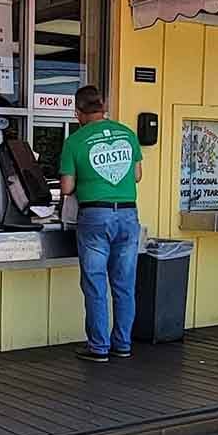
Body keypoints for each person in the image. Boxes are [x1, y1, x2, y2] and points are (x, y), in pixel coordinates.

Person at [60, 86, 142, 363]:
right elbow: (138, 175)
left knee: (96, 283)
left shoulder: (75, 141)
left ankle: (98, 347)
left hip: (95, 217)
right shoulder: (128, 134)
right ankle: (123, 344)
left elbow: (67, 186)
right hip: (128, 215)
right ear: (103, 107)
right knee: (124, 284)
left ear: (78, 112)